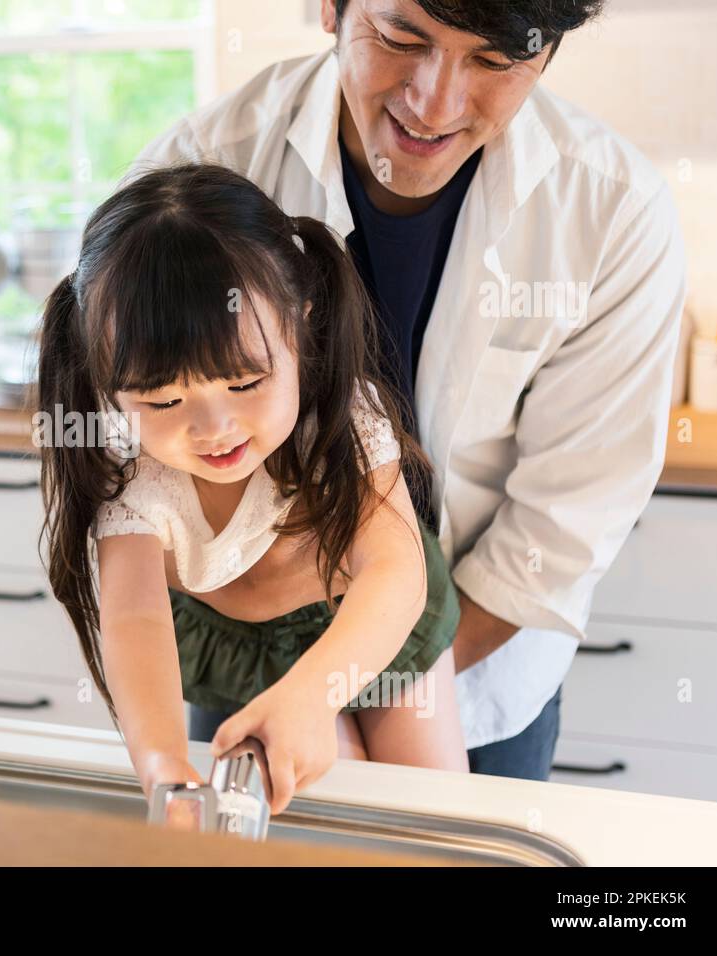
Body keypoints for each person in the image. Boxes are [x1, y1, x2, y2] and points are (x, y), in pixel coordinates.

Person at [124, 0, 688, 780]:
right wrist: (288, 693)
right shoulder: (200, 174)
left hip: (478, 656)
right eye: (400, 38)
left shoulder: (614, 213)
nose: (435, 102)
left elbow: (564, 527)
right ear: (331, 7)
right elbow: (121, 440)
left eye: (494, 59)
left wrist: (359, 686)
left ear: (550, 52)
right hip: (248, 663)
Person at [37, 162, 468, 815]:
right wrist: (162, 767)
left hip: (370, 626)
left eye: (244, 385)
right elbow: (134, 619)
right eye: (163, 398)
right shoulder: (126, 470)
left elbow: (393, 570)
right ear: (107, 386)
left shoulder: (341, 415)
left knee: (436, 818)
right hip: (234, 650)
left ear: (302, 325)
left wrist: (313, 694)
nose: (213, 428)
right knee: (326, 831)